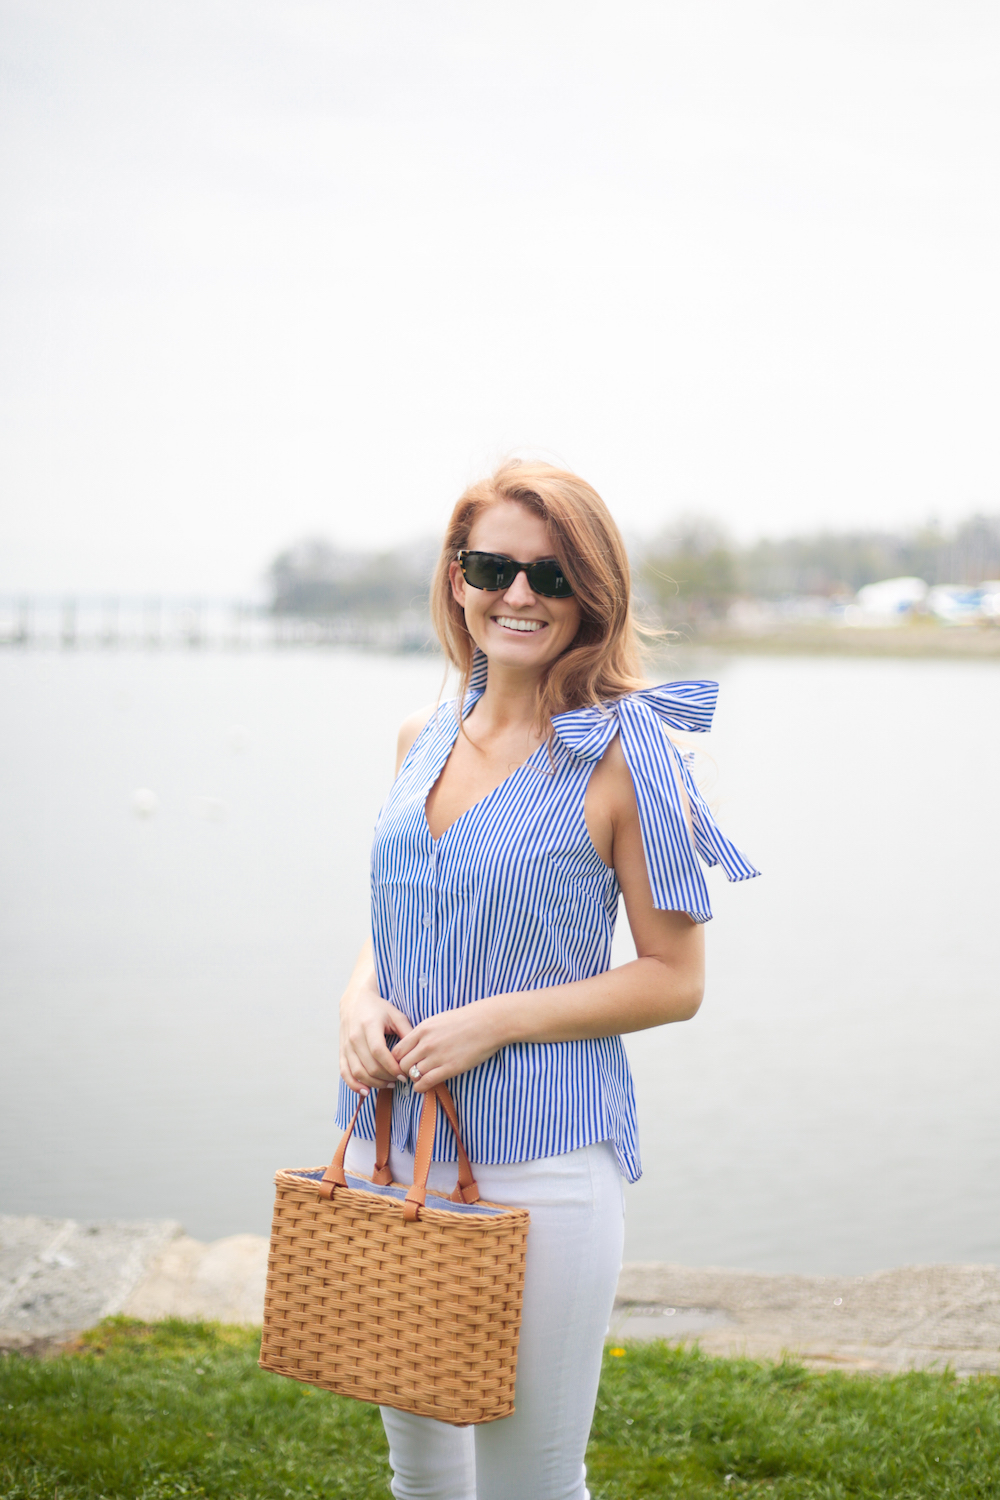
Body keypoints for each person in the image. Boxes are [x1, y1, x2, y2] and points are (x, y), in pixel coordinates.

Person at [337, 460, 758, 1500]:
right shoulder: (417, 735)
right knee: (421, 1476)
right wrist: (355, 999)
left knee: (527, 1481)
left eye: (550, 574)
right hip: (392, 1148)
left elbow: (673, 979)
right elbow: (403, 913)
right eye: (492, 566)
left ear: (593, 593)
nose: (517, 595)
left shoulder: (629, 756)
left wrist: (494, 1021)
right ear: (457, 579)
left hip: (542, 1166)